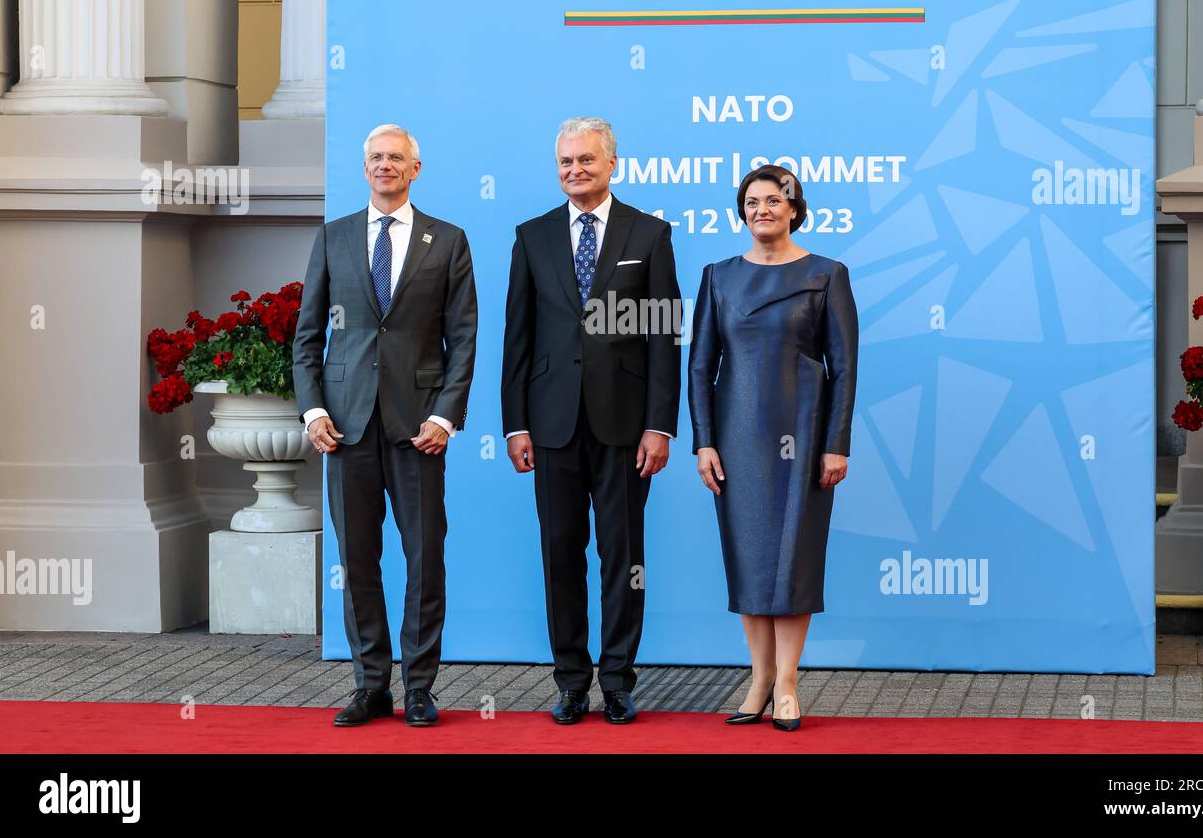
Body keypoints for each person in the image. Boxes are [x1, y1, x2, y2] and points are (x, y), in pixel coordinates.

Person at [293, 123, 477, 728]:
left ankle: (420, 688)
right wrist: (314, 409)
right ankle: (371, 685)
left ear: (415, 168)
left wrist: (445, 416)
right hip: (343, 428)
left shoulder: (447, 241)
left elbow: (464, 339)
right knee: (358, 560)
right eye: (375, 157)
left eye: (396, 158)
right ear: (363, 166)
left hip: (418, 428)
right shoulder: (334, 238)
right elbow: (309, 338)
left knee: (425, 559)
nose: (385, 166)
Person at [501, 116, 681, 725]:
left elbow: (663, 338)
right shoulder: (531, 236)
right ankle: (571, 681)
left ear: (612, 164)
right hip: (550, 425)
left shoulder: (650, 235)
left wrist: (661, 425)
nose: (575, 171)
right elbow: (517, 340)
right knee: (560, 553)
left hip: (627, 427)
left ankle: (619, 681)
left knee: (622, 554)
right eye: (566, 163)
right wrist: (515, 424)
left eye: (586, 160)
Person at [687, 164, 858, 732]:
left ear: (794, 208)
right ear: (743, 211)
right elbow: (700, 367)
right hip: (737, 436)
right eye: (752, 201)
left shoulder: (828, 274)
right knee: (750, 555)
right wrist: (704, 442)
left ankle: (787, 681)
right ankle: (758, 678)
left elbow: (845, 367)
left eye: (773, 200)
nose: (762, 209)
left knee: (794, 555)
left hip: (805, 433)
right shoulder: (718, 277)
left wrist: (836, 444)